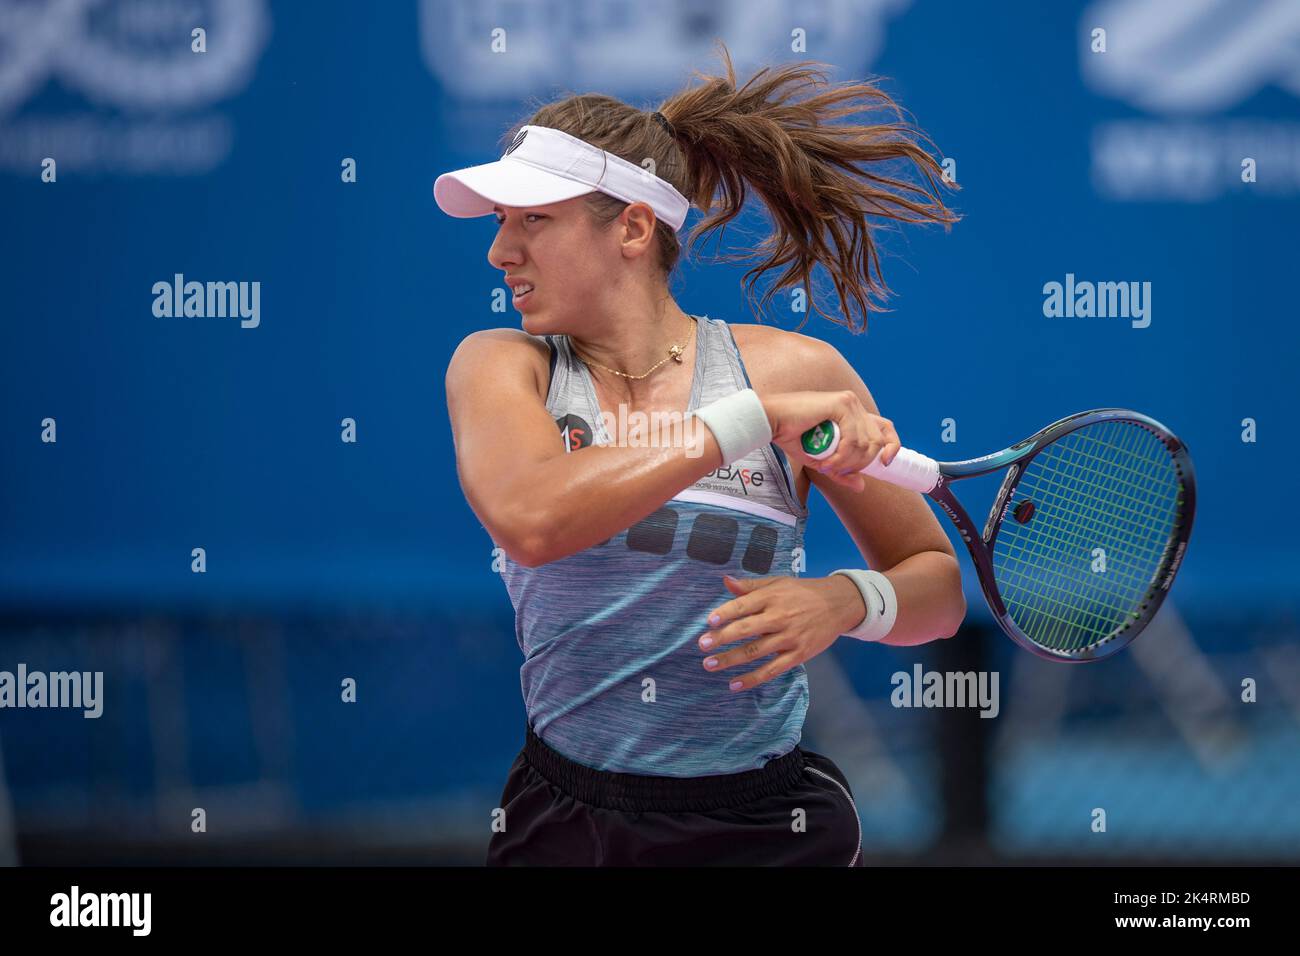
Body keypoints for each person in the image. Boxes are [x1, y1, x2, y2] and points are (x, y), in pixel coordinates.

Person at [437, 42, 966, 866]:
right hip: (562, 823)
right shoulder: (500, 365)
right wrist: (752, 419)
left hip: (764, 829)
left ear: (635, 229)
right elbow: (532, 520)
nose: (501, 252)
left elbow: (936, 588)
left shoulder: (799, 371)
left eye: (533, 220)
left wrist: (840, 601)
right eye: (502, 223)